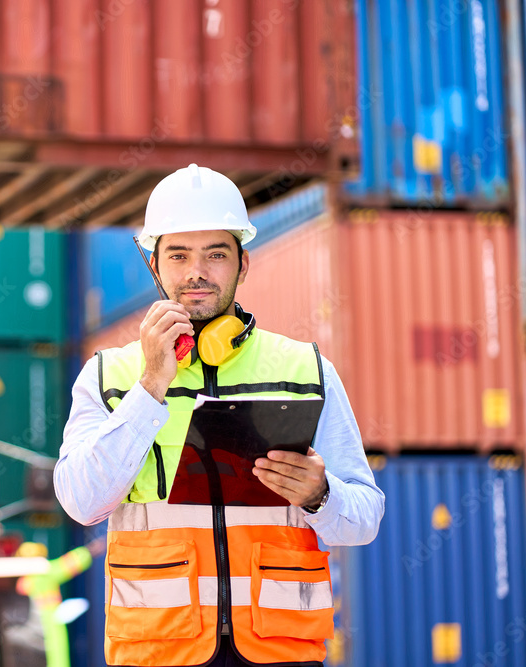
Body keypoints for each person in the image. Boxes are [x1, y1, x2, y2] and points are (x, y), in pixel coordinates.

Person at [54, 164, 384, 667]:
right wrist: (151, 386)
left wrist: (321, 495)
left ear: (243, 263)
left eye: (216, 254)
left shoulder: (305, 369)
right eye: (179, 255)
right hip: (159, 651)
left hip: (281, 652)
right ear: (155, 265)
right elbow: (81, 502)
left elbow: (364, 519)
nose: (197, 272)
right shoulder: (111, 376)